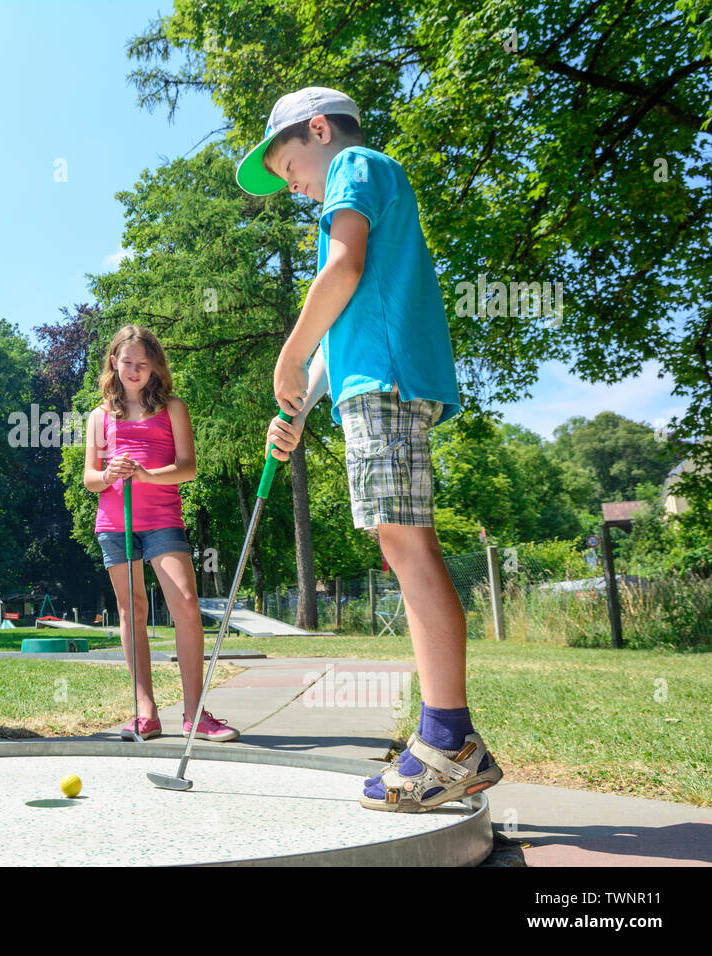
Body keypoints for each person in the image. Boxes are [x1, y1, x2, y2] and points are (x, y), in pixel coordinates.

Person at [238, 86, 503, 810]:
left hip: (386, 381)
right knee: (399, 544)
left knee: (406, 546)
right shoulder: (350, 189)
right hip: (369, 381)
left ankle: (449, 740)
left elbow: (344, 272)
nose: (289, 183)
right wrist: (301, 402)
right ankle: (447, 737)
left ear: (318, 130)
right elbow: (342, 326)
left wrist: (287, 355)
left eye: (288, 163)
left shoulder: (355, 164)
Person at [84, 325, 239, 743]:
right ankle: (145, 711)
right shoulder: (100, 417)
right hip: (115, 525)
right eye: (127, 362)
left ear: (155, 367)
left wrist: (148, 475)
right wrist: (108, 473)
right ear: (113, 362)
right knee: (131, 610)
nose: (134, 371)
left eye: (142, 364)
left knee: (186, 604)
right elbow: (89, 479)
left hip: (162, 520)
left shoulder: (172, 408)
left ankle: (194, 713)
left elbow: (188, 467)